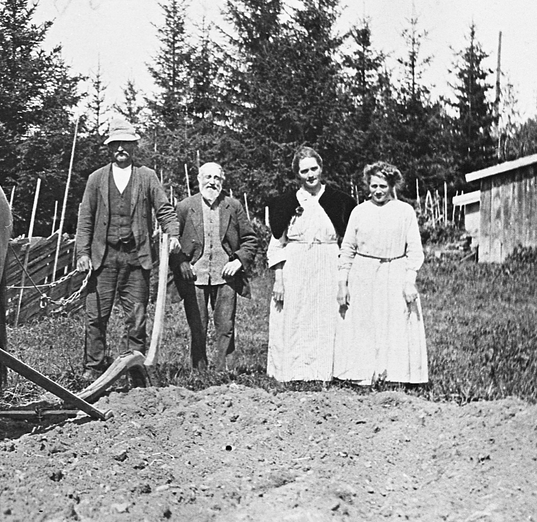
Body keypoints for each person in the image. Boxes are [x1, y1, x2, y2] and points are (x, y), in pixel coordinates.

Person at [75, 124, 179, 383]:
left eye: (126, 144)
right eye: (115, 144)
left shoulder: (147, 176)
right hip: (104, 259)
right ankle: (94, 366)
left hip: (136, 258)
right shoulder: (97, 178)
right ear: (109, 148)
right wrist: (83, 253)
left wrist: (173, 233)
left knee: (136, 316)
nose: (121, 149)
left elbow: (164, 209)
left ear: (134, 147)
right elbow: (85, 217)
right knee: (96, 315)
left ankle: (132, 368)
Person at [264, 146, 355, 382]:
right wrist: (279, 280)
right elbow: (277, 244)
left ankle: (326, 371)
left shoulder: (339, 200)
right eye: (304, 170)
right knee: (296, 315)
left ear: (321, 169)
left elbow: (350, 241)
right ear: (297, 174)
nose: (310, 174)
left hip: (328, 262)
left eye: (314, 168)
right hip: (297, 263)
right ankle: (294, 371)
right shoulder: (287, 202)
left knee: (327, 315)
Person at [333, 161, 429, 385]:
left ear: (392, 186)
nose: (378, 191)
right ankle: (363, 375)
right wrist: (342, 283)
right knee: (365, 323)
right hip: (363, 273)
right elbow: (347, 249)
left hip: (394, 271)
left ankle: (395, 375)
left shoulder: (404, 211)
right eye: (374, 186)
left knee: (395, 323)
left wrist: (409, 281)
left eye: (383, 186)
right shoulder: (359, 211)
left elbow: (414, 250)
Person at [172, 162, 260, 371]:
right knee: (197, 326)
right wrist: (182, 262)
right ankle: (199, 371)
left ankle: (225, 371)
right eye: (208, 177)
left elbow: (250, 239)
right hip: (195, 277)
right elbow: (170, 241)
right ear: (199, 179)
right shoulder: (185, 207)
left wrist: (238, 261)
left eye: (217, 178)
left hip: (225, 277)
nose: (212, 182)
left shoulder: (233, 206)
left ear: (223, 181)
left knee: (226, 326)